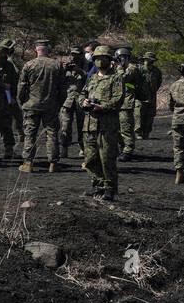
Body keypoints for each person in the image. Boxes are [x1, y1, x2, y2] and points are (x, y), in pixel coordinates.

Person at [81, 46, 124, 201]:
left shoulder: (116, 78)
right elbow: (82, 94)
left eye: (103, 58)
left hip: (107, 126)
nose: (99, 61)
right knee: (90, 159)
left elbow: (118, 99)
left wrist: (102, 106)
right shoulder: (92, 78)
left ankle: (109, 189)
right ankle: (97, 186)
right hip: (90, 124)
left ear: (109, 60)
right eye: (97, 58)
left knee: (107, 159)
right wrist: (84, 102)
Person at [18, 39, 66, 173]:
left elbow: (22, 87)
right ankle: (53, 163)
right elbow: (63, 88)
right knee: (52, 134)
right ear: (48, 50)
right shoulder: (56, 65)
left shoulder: (29, 65)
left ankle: (28, 163)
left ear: (36, 50)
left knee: (30, 134)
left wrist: (21, 101)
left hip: (32, 105)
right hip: (50, 105)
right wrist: (59, 102)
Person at [59, 49, 88, 159]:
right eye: (72, 55)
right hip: (67, 100)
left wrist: (79, 70)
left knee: (82, 126)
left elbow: (91, 78)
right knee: (65, 126)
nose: (74, 58)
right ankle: (64, 148)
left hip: (81, 100)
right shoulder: (65, 67)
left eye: (77, 55)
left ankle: (83, 148)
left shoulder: (87, 65)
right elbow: (59, 81)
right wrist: (64, 69)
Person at [116, 47, 142, 160]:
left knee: (126, 128)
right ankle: (122, 148)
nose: (119, 60)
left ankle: (128, 150)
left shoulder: (132, 68)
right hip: (117, 102)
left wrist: (119, 68)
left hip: (126, 102)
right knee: (116, 128)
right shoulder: (118, 68)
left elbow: (124, 79)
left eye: (121, 58)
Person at [0, 38, 22, 157]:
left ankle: (9, 149)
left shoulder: (8, 63)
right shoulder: (0, 63)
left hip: (8, 97)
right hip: (1, 99)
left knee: (7, 123)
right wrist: (9, 97)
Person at [137, 52, 163, 139]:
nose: (149, 62)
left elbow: (159, 82)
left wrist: (153, 90)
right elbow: (130, 83)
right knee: (139, 115)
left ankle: (146, 132)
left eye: (151, 60)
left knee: (150, 115)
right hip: (140, 97)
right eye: (147, 60)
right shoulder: (138, 69)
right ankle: (138, 133)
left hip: (151, 97)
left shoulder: (157, 71)